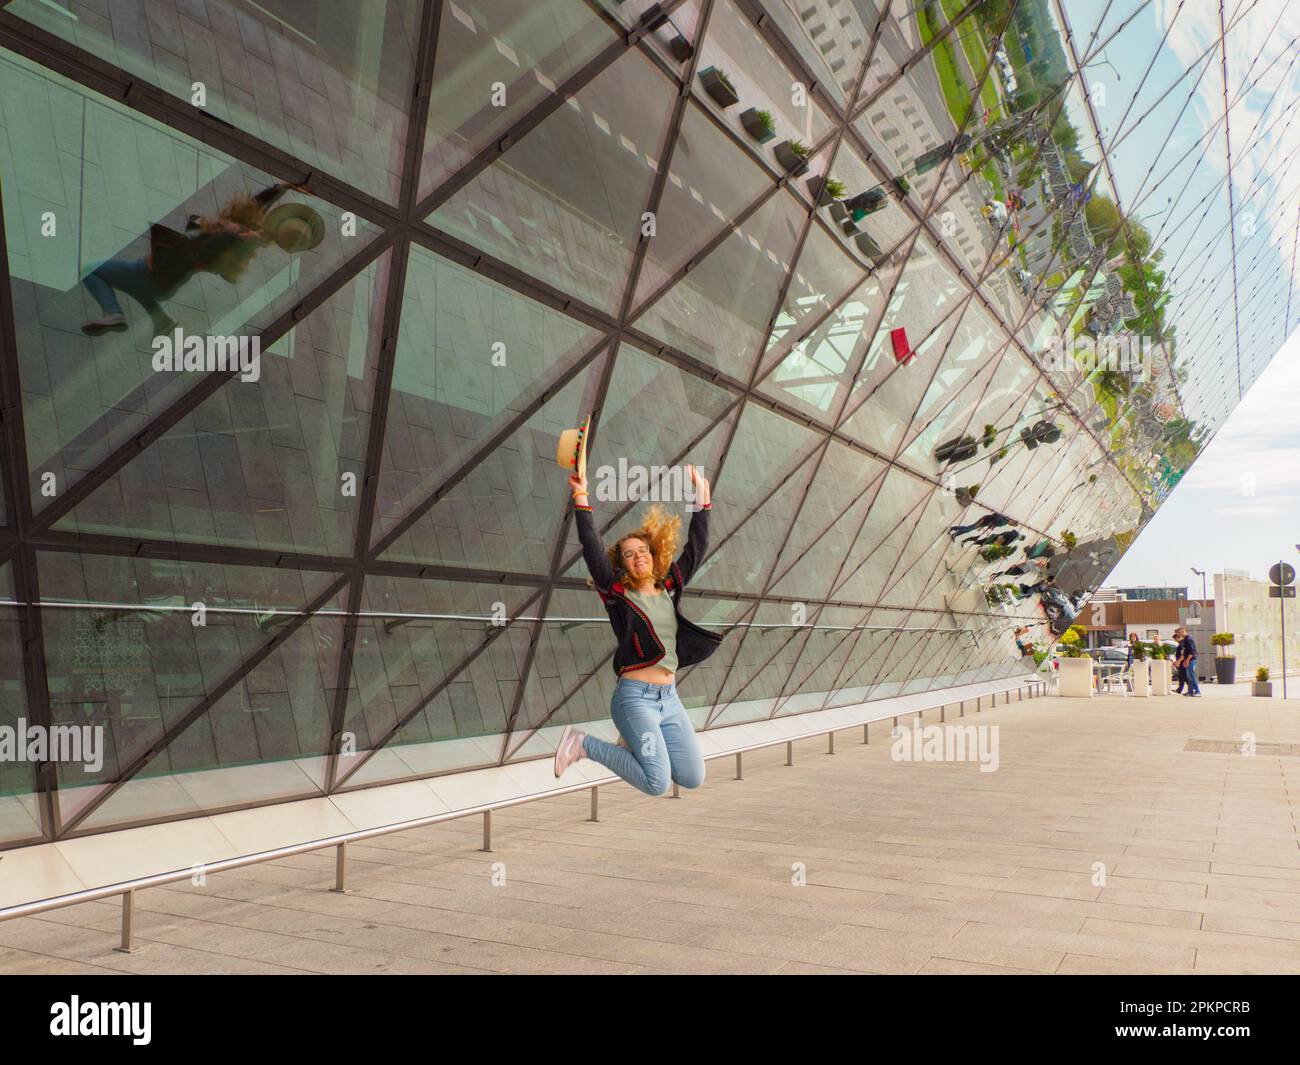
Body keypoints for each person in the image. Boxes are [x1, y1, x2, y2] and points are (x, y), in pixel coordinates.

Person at [553, 465, 725, 795]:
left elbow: (697, 549)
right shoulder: (617, 592)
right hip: (635, 699)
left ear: (653, 553)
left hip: (669, 697)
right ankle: (583, 744)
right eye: (629, 555)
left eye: (642, 550)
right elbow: (591, 547)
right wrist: (580, 495)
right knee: (656, 782)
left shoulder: (670, 583)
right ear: (622, 564)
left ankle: (632, 742)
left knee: (691, 776)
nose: (638, 556)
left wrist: (703, 501)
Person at [80, 181, 307, 337]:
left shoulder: (220, 242)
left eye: (227, 225)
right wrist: (282, 188)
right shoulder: (226, 234)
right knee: (141, 290)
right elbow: (256, 206)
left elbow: (218, 243)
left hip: (147, 275)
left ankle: (113, 313)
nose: (221, 221)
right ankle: (161, 319)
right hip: (164, 287)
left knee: (91, 270)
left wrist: (242, 236)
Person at [1178, 628, 1202, 697]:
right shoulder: (1185, 640)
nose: (1178, 635)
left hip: (1191, 659)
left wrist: (1187, 660)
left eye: (1179, 633)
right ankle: (1190, 691)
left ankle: (1197, 691)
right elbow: (1185, 651)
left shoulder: (1188, 639)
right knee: (1189, 676)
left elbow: (1192, 651)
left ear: (1183, 632)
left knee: (1191, 675)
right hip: (1188, 659)